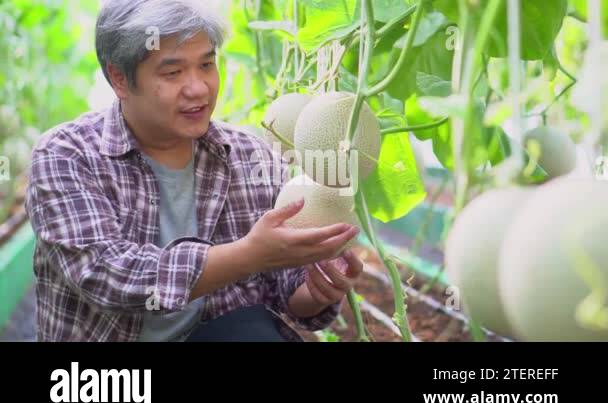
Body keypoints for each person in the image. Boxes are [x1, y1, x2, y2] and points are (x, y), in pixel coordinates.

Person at [24, 0, 363, 342]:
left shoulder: (250, 155)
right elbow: (106, 275)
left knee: (253, 331)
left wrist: (316, 290)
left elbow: (284, 290)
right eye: (173, 72)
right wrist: (248, 254)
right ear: (119, 79)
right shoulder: (66, 153)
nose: (199, 88)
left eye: (206, 64)